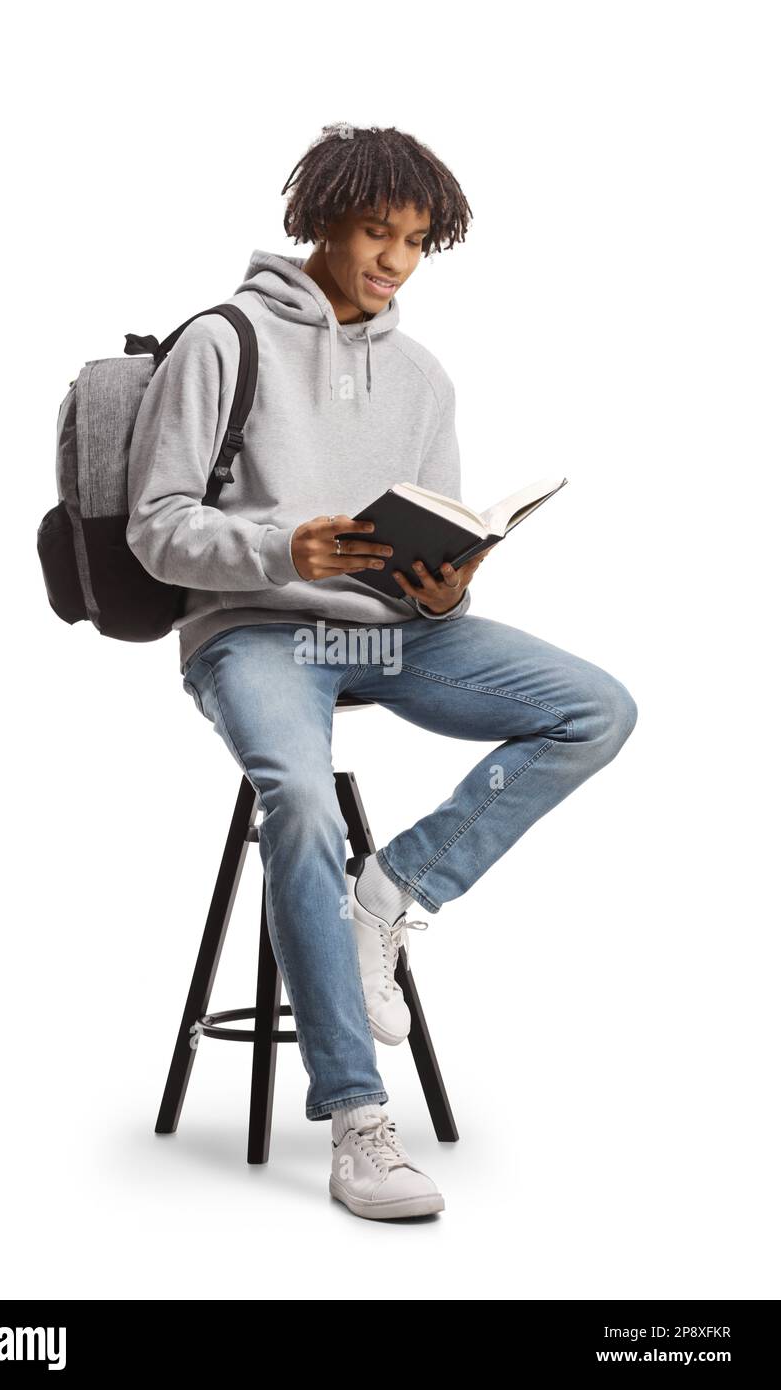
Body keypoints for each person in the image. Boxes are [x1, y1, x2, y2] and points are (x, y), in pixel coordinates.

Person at [126, 122, 638, 1222]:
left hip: (382, 634)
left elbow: (431, 547)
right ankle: (359, 1124)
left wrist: (445, 590)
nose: (393, 260)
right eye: (375, 230)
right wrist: (280, 548)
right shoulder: (220, 342)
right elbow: (155, 529)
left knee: (593, 708)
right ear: (321, 218)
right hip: (259, 631)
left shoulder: (419, 376)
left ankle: (392, 892)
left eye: (413, 242)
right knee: (299, 800)